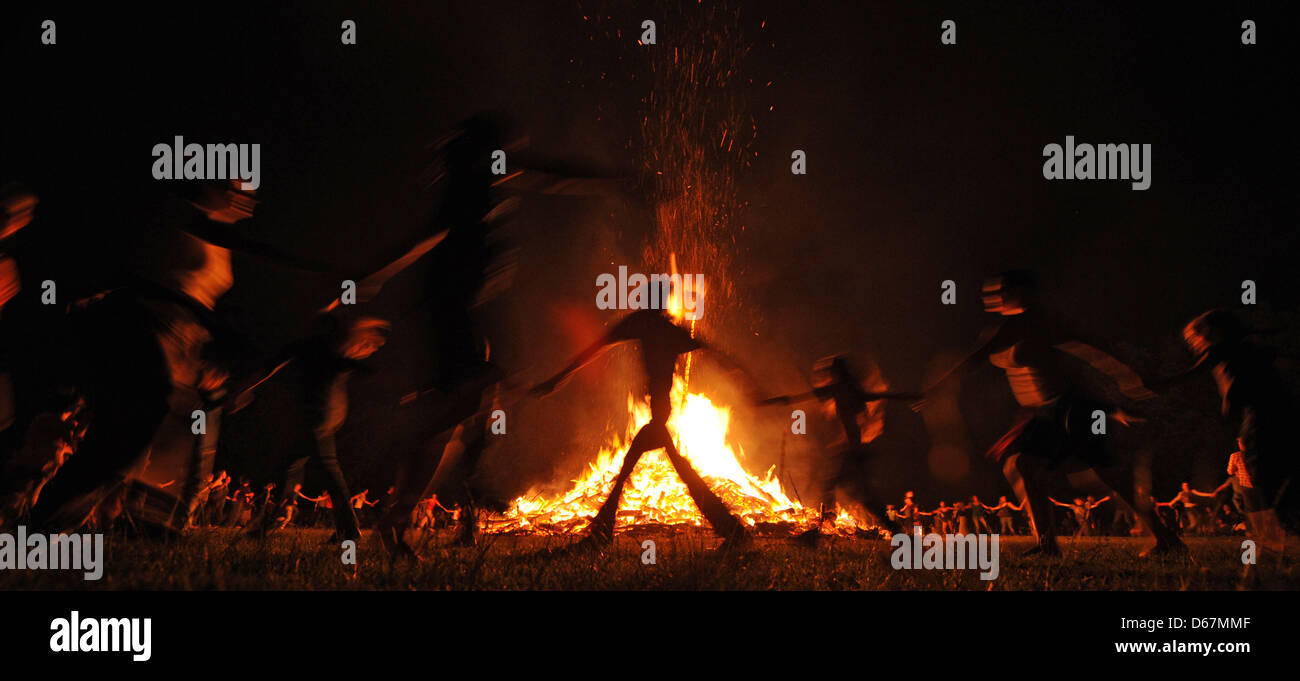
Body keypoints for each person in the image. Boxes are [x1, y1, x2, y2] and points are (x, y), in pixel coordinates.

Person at [915, 270, 1184, 557]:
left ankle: (1049, 544)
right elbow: (979, 358)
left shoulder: (1030, 323)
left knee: (1025, 464)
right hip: (1049, 410)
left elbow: (1095, 350)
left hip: (1064, 408)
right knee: (1089, 472)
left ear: (1020, 292)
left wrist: (1133, 380)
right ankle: (1163, 538)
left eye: (999, 291)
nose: (992, 297)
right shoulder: (1015, 327)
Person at [531, 307, 768, 549]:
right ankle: (731, 531)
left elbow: (597, 347)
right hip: (659, 416)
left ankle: (602, 535)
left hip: (659, 418)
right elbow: (716, 355)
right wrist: (750, 384)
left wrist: (558, 378)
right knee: (664, 469)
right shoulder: (663, 329)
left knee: (643, 471)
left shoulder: (651, 327)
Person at [230, 311, 390, 542]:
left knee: (323, 470)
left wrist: (240, 390)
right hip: (326, 417)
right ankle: (265, 527)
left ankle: (348, 531)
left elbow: (269, 368)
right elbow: (364, 368)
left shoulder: (312, 346)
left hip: (316, 416)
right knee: (291, 468)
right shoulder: (331, 350)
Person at [1157, 309, 1295, 552]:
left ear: (1212, 331)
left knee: (1256, 478)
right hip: (1276, 413)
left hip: (1260, 415)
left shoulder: (1221, 348)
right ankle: (1277, 532)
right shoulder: (1248, 348)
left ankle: (1271, 537)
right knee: (1272, 472)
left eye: (1194, 336)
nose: (1192, 343)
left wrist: (1162, 384)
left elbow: (1195, 372)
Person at [761, 355, 917, 536]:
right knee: (862, 497)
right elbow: (882, 395)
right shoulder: (853, 390)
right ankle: (898, 533)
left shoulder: (840, 389)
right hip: (854, 450)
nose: (827, 376)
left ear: (837, 373)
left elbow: (802, 397)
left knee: (828, 486)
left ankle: (821, 529)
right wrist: (911, 395)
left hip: (849, 451)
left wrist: (772, 402)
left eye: (830, 372)